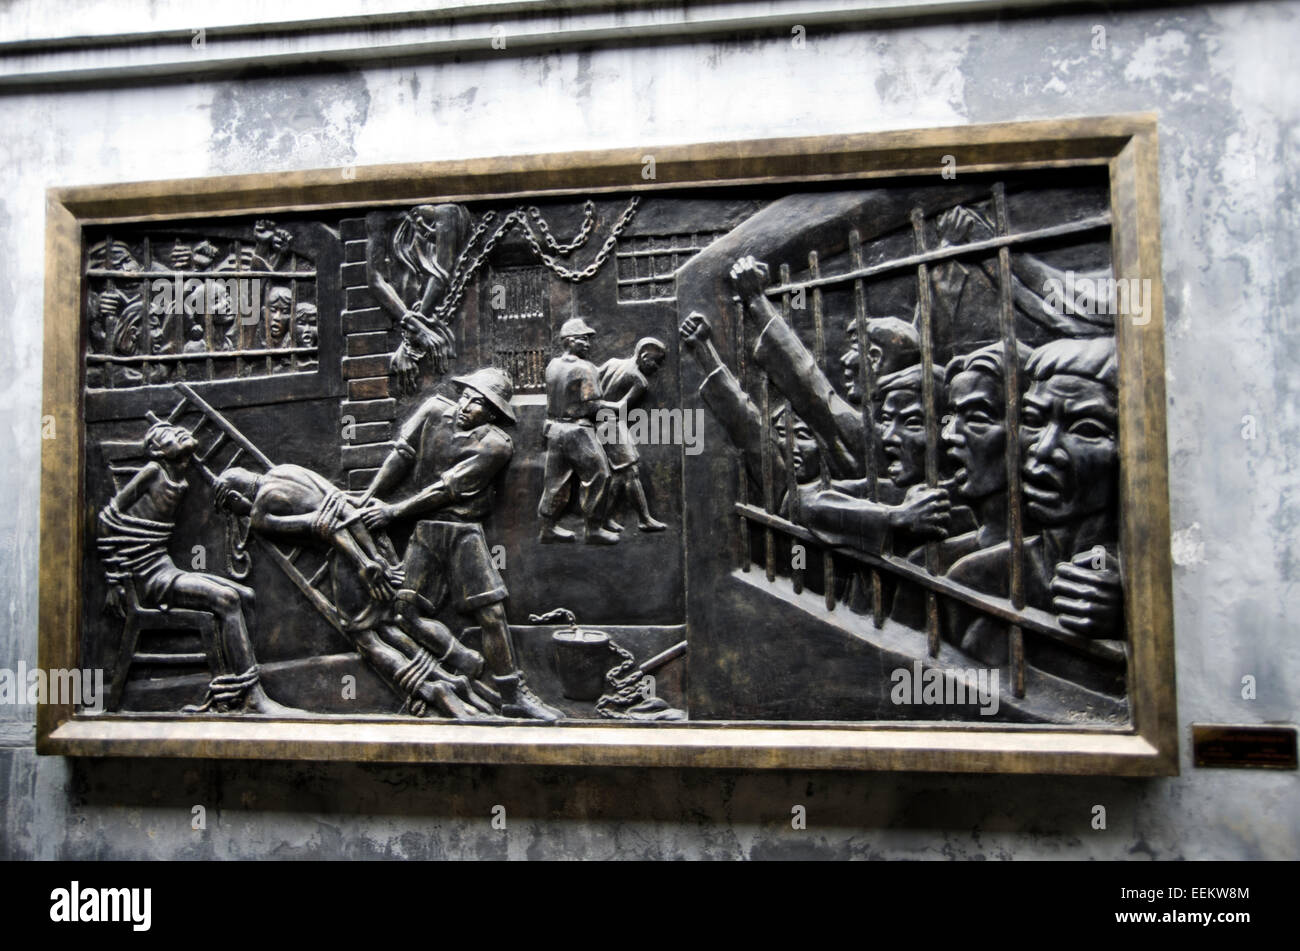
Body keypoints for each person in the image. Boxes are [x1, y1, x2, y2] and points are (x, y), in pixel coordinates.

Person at [360, 367, 563, 720]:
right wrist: (369, 497)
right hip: (426, 531)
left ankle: (512, 694)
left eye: (479, 403)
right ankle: (458, 663)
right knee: (404, 613)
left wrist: (393, 512)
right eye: (467, 395)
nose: (467, 404)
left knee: (492, 613)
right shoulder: (434, 409)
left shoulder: (497, 445)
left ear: (493, 413)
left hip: (462, 532)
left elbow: (445, 489)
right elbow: (402, 455)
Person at [211, 464, 489, 719]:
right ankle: (449, 677)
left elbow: (327, 526)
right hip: (370, 537)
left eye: (232, 508)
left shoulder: (260, 512)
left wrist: (365, 564)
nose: (237, 514)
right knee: (389, 623)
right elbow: (340, 506)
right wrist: (376, 555)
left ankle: (432, 690)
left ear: (236, 497)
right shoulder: (284, 470)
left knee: (364, 637)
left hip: (350, 559)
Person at [944, 336, 1124, 691]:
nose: (1043, 450)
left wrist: (1133, 617)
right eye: (1033, 420)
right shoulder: (973, 577)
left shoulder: (1154, 587)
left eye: (1086, 429)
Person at [97, 421, 297, 715]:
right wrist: (115, 580)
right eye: (179, 457)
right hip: (148, 577)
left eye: (187, 457)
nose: (186, 463)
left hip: (164, 567)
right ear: (163, 456)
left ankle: (233, 692)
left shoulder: (180, 478)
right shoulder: (153, 472)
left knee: (245, 595)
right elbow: (106, 519)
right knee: (227, 600)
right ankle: (255, 698)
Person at [537, 318, 620, 545]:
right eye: (583, 339)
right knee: (600, 474)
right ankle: (593, 529)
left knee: (555, 482)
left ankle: (547, 528)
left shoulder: (552, 366)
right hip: (577, 431)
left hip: (554, 429)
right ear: (569, 341)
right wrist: (617, 409)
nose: (588, 344)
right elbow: (593, 406)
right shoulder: (585, 368)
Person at [596, 337, 668, 533]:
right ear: (644, 357)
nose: (657, 368)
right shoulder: (639, 381)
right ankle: (644, 519)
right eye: (657, 362)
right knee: (630, 472)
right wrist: (598, 406)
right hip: (611, 427)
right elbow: (620, 408)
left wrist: (593, 404)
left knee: (621, 475)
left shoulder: (612, 362)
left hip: (599, 425)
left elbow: (592, 378)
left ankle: (604, 518)